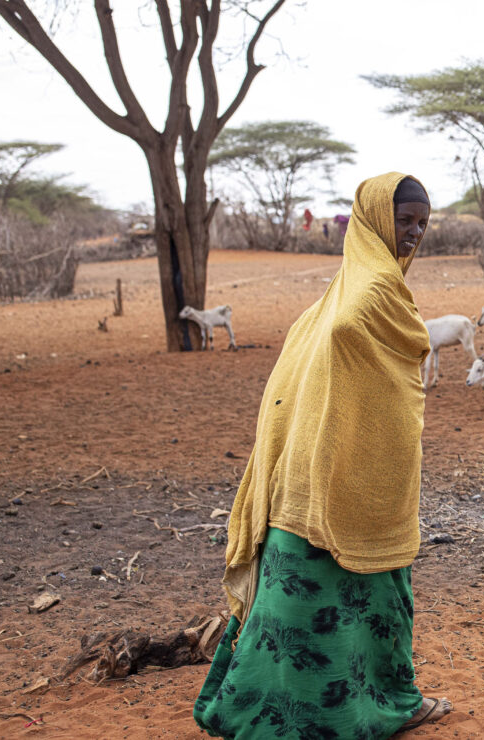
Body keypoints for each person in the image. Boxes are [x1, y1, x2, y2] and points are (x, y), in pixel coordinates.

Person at [194, 172, 452, 738]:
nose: (413, 234)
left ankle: (366, 702)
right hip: (330, 475)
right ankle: (346, 711)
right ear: (374, 222)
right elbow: (342, 344)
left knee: (340, 600)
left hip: (332, 473)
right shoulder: (367, 294)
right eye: (402, 221)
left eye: (421, 224)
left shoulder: (349, 289)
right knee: (347, 596)